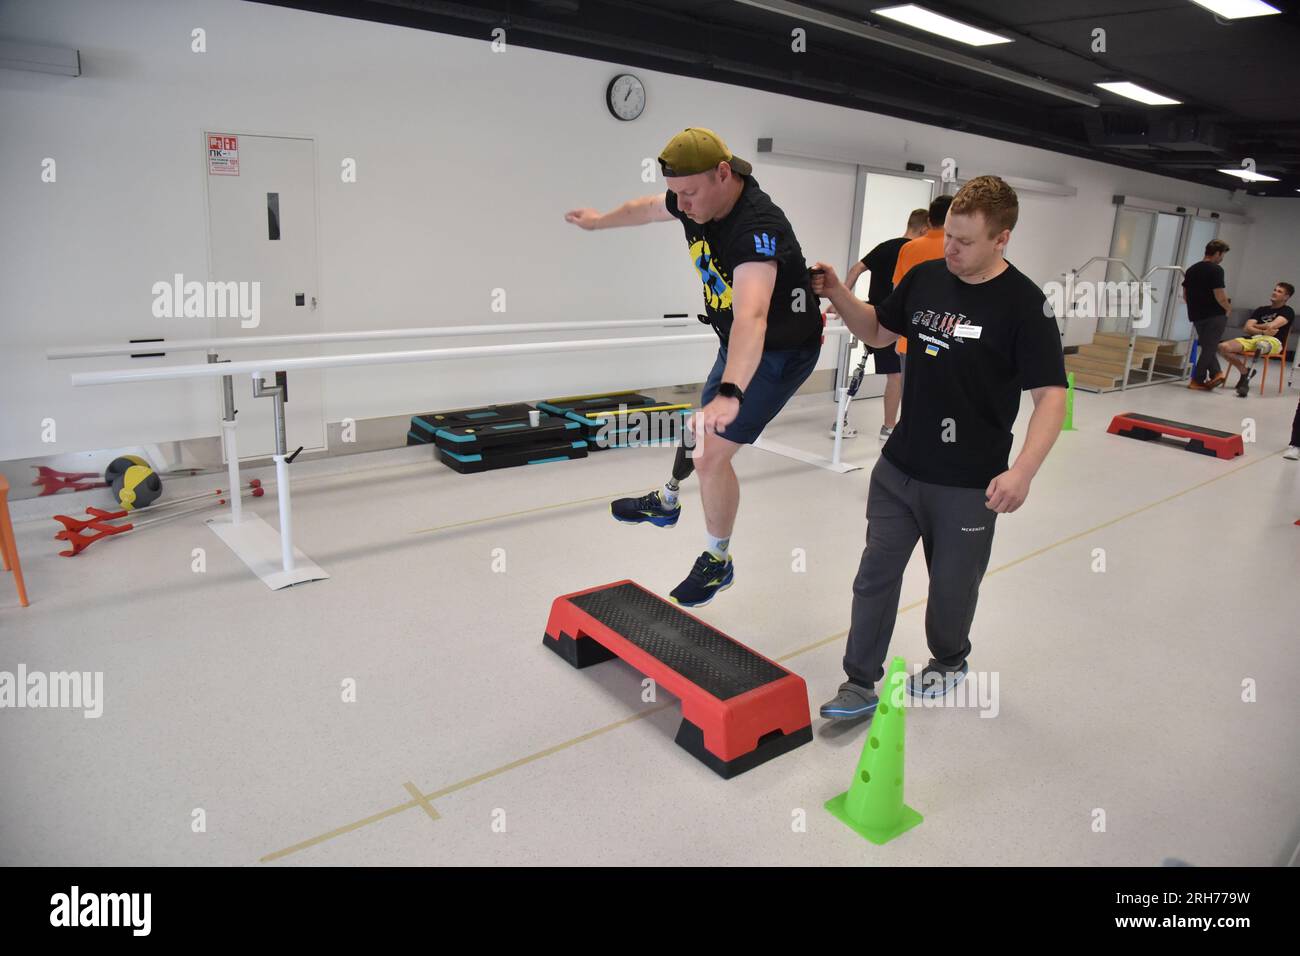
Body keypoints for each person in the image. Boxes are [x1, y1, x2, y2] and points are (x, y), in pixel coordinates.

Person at [809, 175, 1067, 719]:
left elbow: (1050, 397)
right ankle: (858, 683)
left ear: (1002, 239)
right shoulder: (927, 276)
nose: (950, 248)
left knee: (951, 590)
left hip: (969, 482)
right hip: (900, 466)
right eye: (948, 235)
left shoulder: (1025, 306)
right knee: (875, 574)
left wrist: (1023, 471)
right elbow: (879, 332)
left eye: (965, 241)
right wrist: (839, 293)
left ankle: (949, 660)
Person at [564, 128, 821, 607]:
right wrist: (599, 222)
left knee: (711, 454)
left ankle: (718, 561)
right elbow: (645, 207)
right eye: (676, 194)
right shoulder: (695, 199)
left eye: (689, 193)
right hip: (738, 343)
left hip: (779, 352)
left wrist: (731, 390)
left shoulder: (756, 227)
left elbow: (754, 316)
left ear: (723, 174)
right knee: (697, 428)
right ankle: (666, 501)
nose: (681, 205)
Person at [844, 208, 929, 440]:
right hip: (894, 321)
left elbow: (856, 269)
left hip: (875, 316)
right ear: (924, 229)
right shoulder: (913, 252)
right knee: (897, 375)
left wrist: (843, 298)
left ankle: (849, 419)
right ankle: (889, 427)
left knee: (893, 372)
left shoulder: (886, 246)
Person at [1217, 282, 1294, 397]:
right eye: (1274, 290)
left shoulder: (1287, 311)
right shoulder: (1261, 310)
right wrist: (1262, 331)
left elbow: (1272, 326)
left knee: (1261, 346)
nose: (1274, 292)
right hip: (1255, 338)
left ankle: (1245, 383)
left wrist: (1256, 326)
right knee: (1223, 347)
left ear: (1286, 297)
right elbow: (1246, 328)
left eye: (1279, 291)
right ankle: (1245, 372)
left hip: (1274, 341)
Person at [1182, 239, 1232, 390]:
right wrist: (1228, 308)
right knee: (1209, 347)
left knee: (1207, 345)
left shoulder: (1191, 269)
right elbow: (1219, 295)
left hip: (1197, 314)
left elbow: (1185, 295)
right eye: (1222, 255)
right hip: (1214, 314)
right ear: (1217, 253)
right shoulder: (1216, 270)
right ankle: (1197, 379)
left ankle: (1217, 373)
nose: (1222, 258)